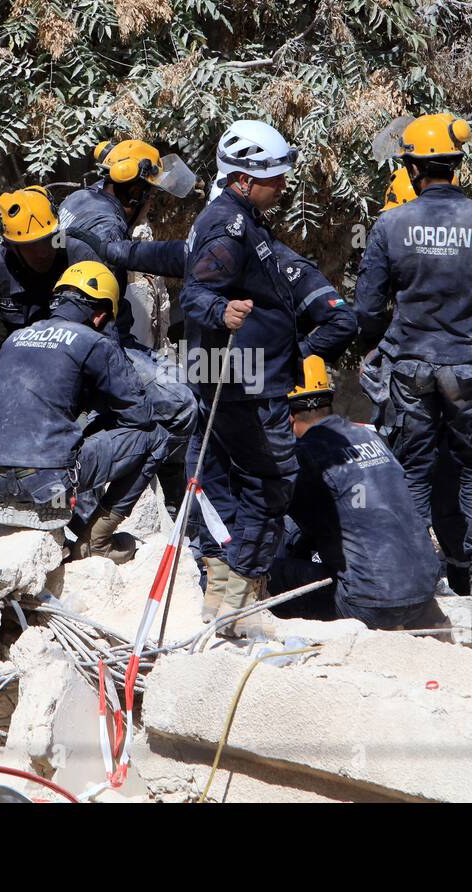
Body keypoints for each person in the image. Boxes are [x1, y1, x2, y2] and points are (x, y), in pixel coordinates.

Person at [356, 114, 472, 602]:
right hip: (471, 367)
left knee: (412, 469)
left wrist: (374, 345)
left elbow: (367, 308)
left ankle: (420, 575)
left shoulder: (390, 224)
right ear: (456, 166)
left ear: (412, 170)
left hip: (410, 366)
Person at [182, 119, 304, 637]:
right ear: (242, 179)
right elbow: (196, 290)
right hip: (245, 383)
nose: (283, 186)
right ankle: (238, 594)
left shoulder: (243, 219)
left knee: (225, 479)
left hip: (234, 378)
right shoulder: (227, 225)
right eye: (274, 177)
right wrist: (220, 311)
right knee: (271, 481)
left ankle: (224, 593)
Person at [0, 262, 169, 562]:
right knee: (156, 437)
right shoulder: (93, 341)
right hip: (46, 484)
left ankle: (46, 512)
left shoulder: (13, 339)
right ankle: (96, 542)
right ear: (100, 315)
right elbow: (138, 415)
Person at [59, 141, 199, 515]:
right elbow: (93, 315)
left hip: (97, 335)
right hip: (96, 344)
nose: (152, 204)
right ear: (135, 191)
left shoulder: (79, 201)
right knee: (182, 404)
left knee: (172, 383)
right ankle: (119, 513)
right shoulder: (106, 226)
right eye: (150, 195)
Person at [267, 357, 441, 630]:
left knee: (266, 572)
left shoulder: (306, 455)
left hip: (367, 604)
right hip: (424, 593)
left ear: (286, 417)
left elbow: (273, 515)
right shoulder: (370, 439)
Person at [0, 186, 76, 369]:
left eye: (47, 240)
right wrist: (17, 372)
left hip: (70, 354)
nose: (42, 253)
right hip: (10, 358)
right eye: (30, 246)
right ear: (9, 245)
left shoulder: (76, 252)